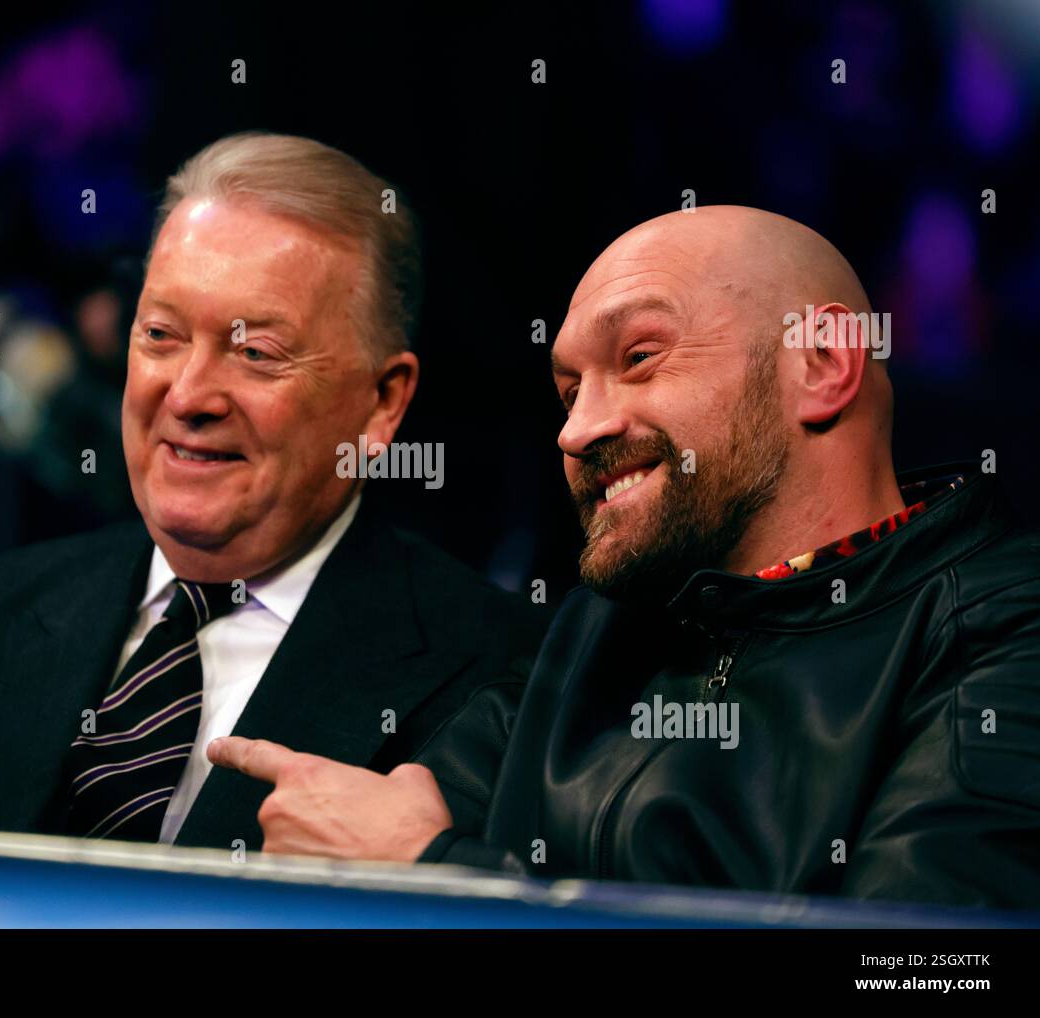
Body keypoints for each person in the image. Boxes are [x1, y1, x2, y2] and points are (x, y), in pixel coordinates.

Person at [209, 206, 1040, 908]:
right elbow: (374, 851)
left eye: (639, 358)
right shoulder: (589, 633)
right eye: (569, 392)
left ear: (823, 362)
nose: (575, 432)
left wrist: (447, 877)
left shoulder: (1006, 630)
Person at [0, 132, 546, 848]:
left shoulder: (507, 683)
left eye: (255, 352)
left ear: (381, 402)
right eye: (160, 334)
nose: (187, 395)